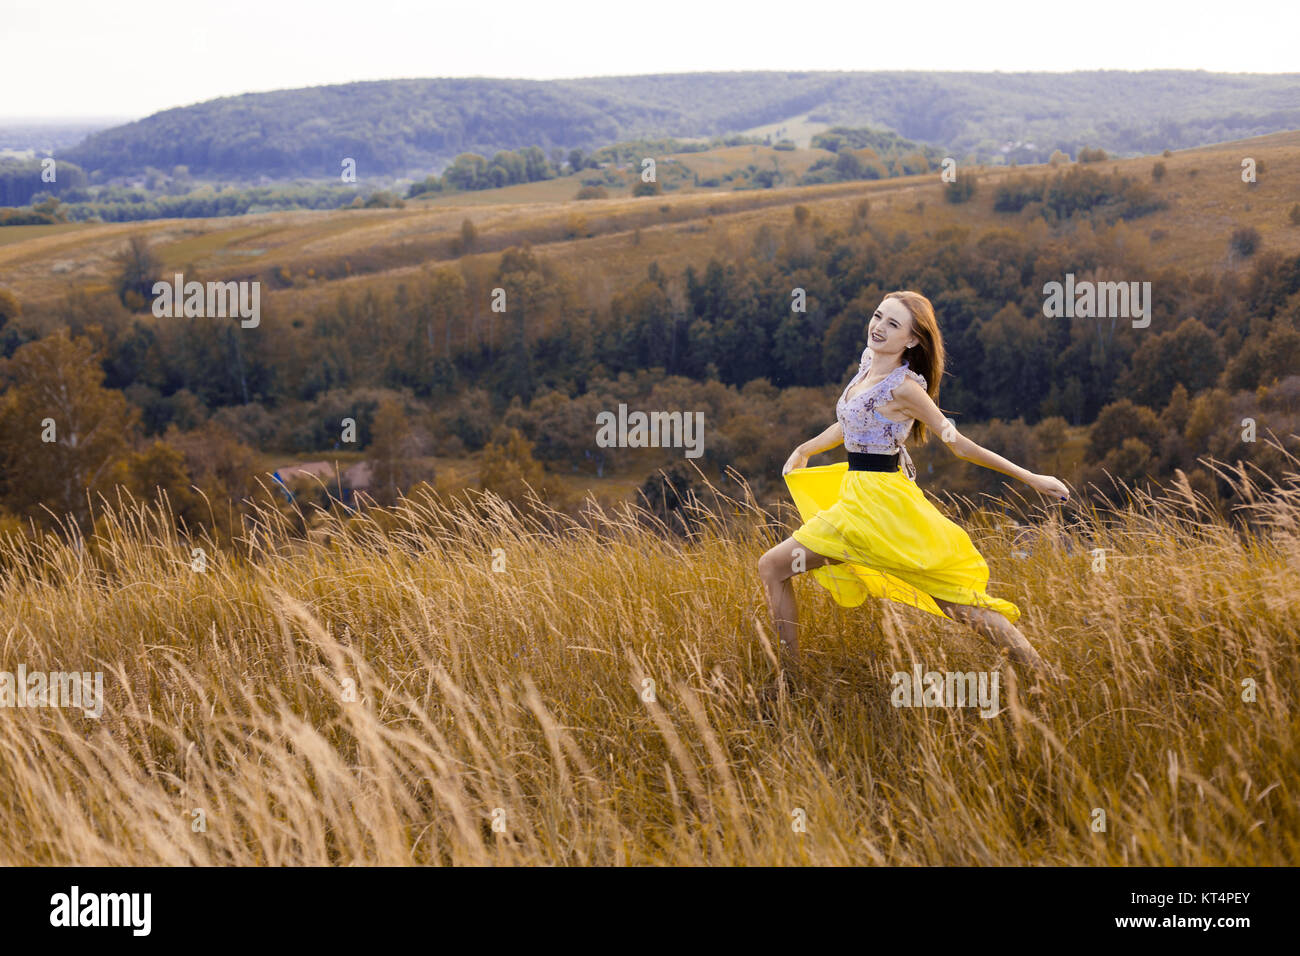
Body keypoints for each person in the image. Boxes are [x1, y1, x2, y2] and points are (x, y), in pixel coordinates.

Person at [758, 290, 1069, 681]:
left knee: (956, 602)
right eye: (877, 316)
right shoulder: (868, 363)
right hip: (857, 499)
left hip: (883, 506)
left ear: (912, 340)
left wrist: (1031, 477)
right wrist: (805, 448)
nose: (878, 327)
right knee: (773, 567)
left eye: (893, 324)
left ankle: (1045, 676)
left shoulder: (906, 389)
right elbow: (850, 422)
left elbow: (959, 445)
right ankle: (789, 678)